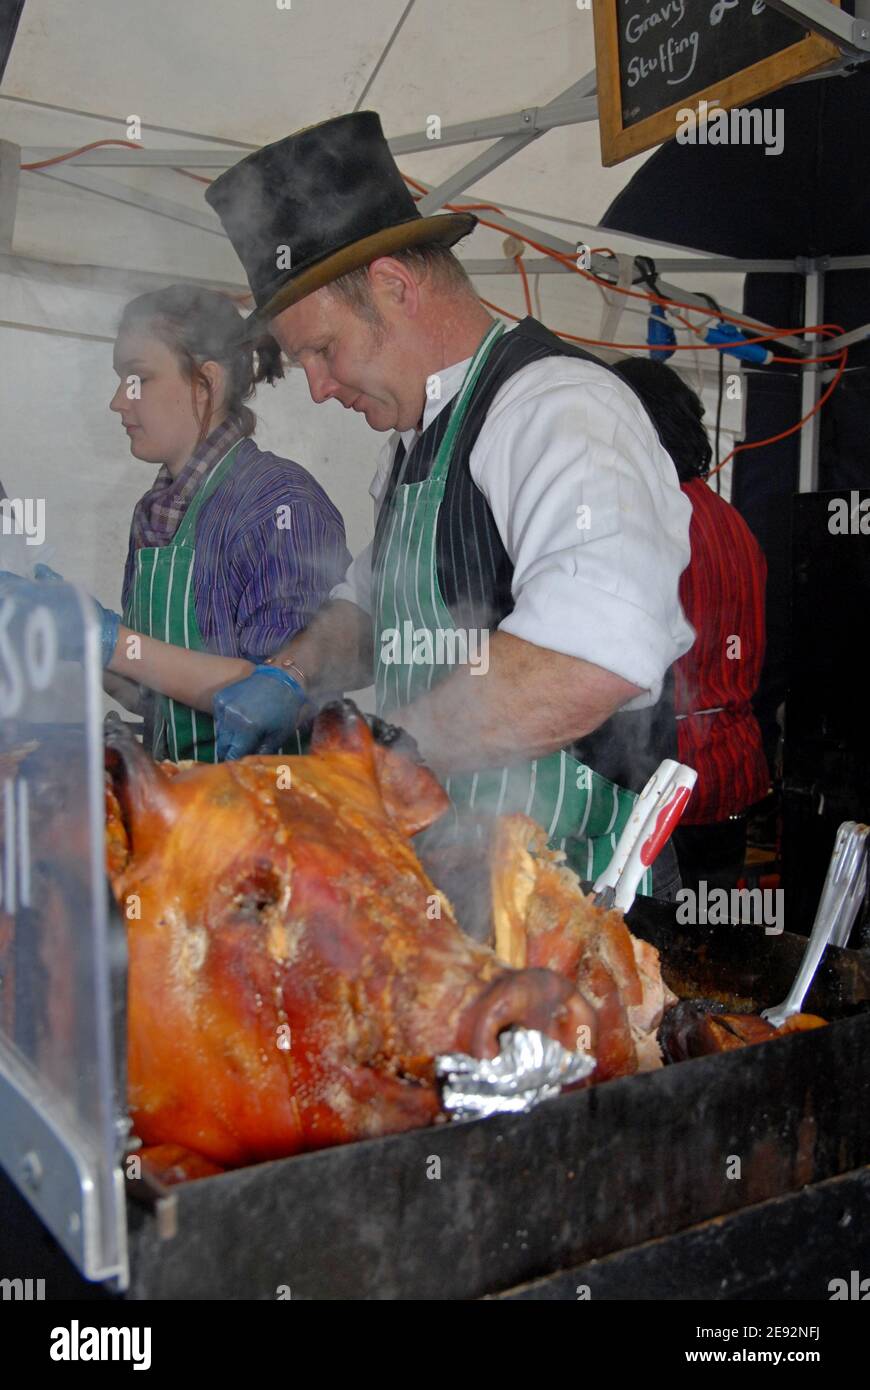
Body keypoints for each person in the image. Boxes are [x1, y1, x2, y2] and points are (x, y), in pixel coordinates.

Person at [203, 112, 695, 896]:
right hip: (445, 881)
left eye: (321, 352)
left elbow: (585, 664)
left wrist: (380, 761)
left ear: (393, 286)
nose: (321, 389)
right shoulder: (414, 441)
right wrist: (291, 674)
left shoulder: (560, 410)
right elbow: (370, 608)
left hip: (567, 903)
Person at [3, 285, 350, 762]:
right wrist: (73, 632)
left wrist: (106, 638)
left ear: (204, 383)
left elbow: (276, 690)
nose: (117, 403)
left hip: (268, 811)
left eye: (137, 379)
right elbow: (155, 699)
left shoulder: (277, 502)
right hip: (182, 806)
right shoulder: (156, 511)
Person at [613, 356, 769, 893]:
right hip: (731, 770)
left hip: (664, 778)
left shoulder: (647, 518)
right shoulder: (734, 522)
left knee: (656, 958)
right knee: (711, 956)